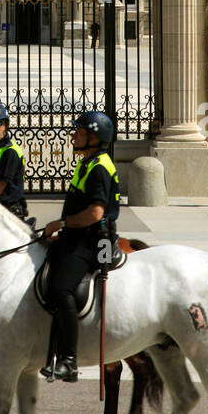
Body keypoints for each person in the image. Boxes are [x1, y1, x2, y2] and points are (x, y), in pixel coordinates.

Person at [40, 110, 120, 383]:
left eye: (80, 132)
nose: (74, 135)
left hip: (93, 242)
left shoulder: (99, 167)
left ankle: (69, 361)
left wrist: (60, 224)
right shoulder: (88, 162)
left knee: (61, 289)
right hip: (78, 236)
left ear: (94, 138)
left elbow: (95, 213)